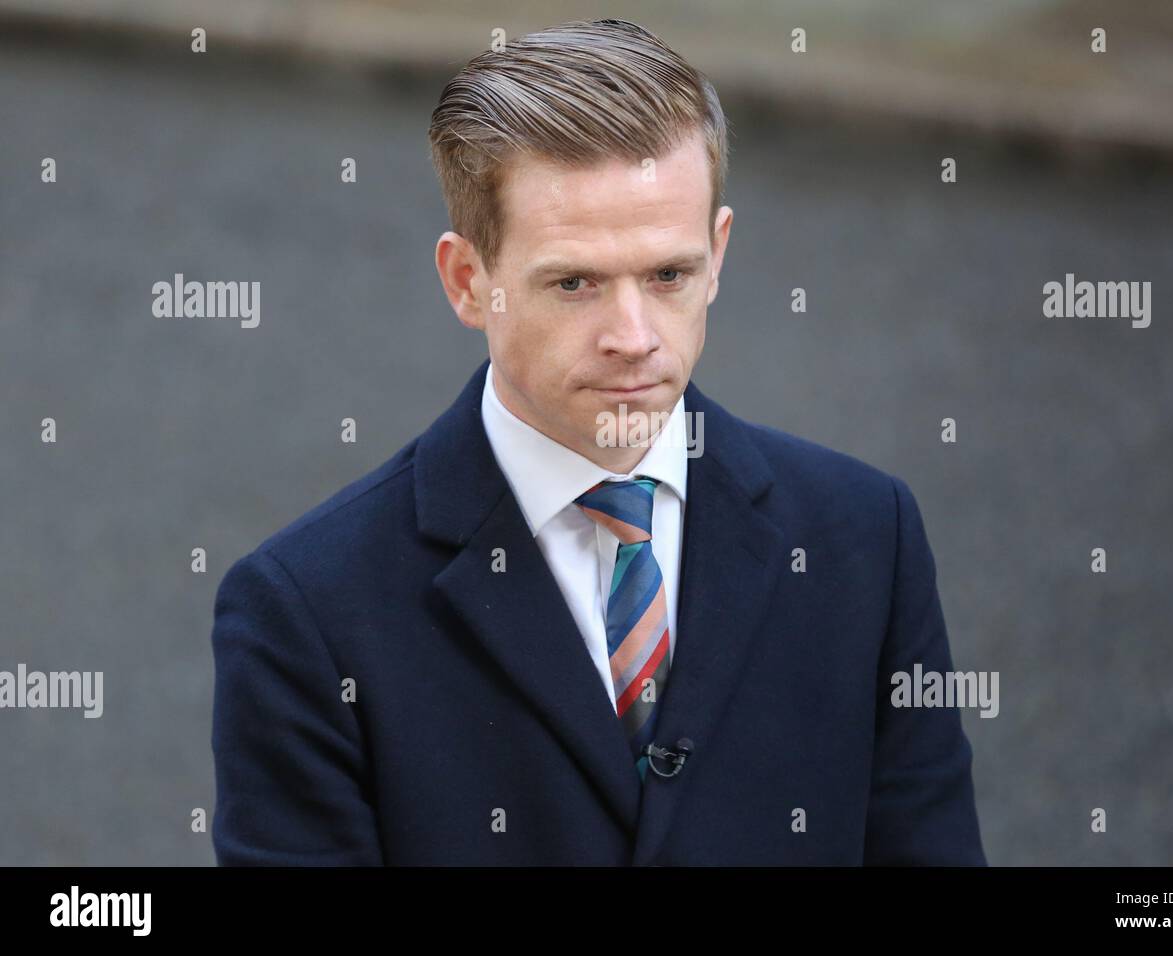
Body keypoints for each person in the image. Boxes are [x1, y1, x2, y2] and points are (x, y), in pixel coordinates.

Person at [210, 18, 987, 866]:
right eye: (575, 283)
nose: (634, 335)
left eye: (668, 276)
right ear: (469, 282)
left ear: (718, 255)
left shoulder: (867, 538)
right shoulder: (306, 611)